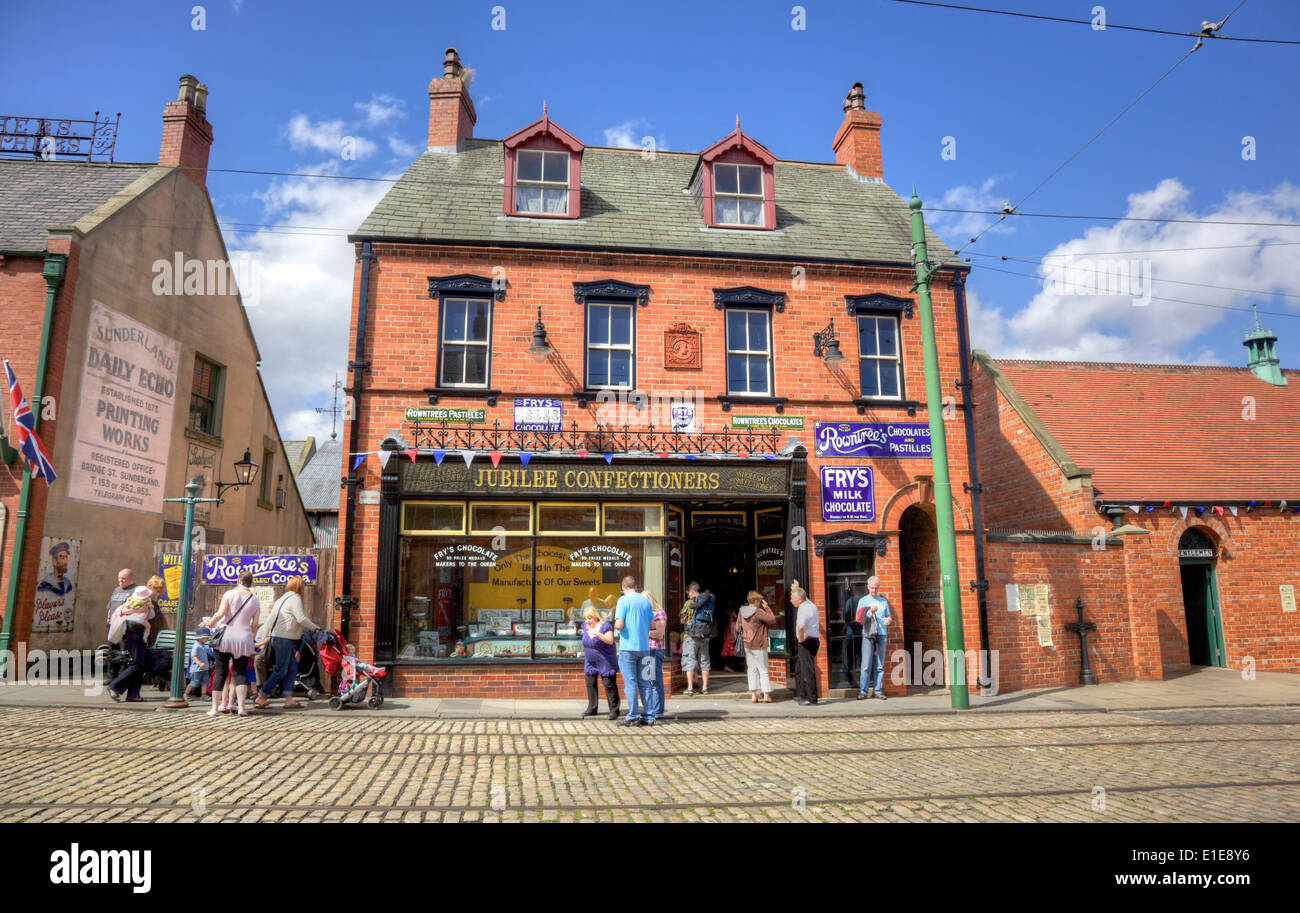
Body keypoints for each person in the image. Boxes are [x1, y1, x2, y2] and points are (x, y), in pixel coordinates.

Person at [255, 576, 317, 710]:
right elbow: (301, 618)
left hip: (278, 638)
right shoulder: (295, 599)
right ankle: (261, 697)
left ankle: (289, 699)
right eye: (303, 586)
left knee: (292, 668)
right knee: (280, 670)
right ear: (300, 587)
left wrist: (267, 635)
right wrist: (315, 628)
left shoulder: (281, 599)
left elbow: (271, 618)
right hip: (283, 638)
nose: (304, 588)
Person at [206, 570, 260, 717]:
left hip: (226, 636)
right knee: (240, 672)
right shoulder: (255, 600)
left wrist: (210, 624)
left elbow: (220, 614)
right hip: (244, 637)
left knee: (221, 671)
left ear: (239, 580)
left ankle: (214, 709)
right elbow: (255, 624)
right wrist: (251, 637)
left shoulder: (230, 594)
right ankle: (241, 708)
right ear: (251, 582)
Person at [613, 575, 654, 727]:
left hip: (628, 648)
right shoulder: (645, 600)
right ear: (636, 587)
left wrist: (616, 624)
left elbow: (619, 624)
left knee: (630, 683)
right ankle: (649, 716)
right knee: (646, 682)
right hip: (645, 648)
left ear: (623, 588)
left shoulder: (622, 600)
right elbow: (652, 626)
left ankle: (633, 715)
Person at [107, 586, 155, 702]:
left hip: (131, 634)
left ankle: (133, 694)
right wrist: (142, 610)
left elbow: (124, 612)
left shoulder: (130, 600)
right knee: (138, 664)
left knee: (139, 665)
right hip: (135, 635)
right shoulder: (145, 603)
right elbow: (151, 615)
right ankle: (115, 686)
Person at [856, 576, 892, 700]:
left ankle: (877, 691)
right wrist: (870, 610)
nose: (874, 591)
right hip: (868, 635)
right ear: (867, 587)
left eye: (876, 588)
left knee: (880, 665)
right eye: (872, 588)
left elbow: (888, 616)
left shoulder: (883, 601)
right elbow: (859, 619)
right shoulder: (863, 601)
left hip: (882, 634)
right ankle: (863, 691)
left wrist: (888, 620)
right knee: (866, 664)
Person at [580, 606, 619, 720]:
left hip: (605, 660)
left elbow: (610, 640)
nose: (588, 621)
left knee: (609, 685)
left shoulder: (605, 626)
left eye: (590, 618)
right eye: (586, 618)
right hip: (590, 661)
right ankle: (592, 708)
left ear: (596, 617)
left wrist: (597, 634)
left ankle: (614, 710)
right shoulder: (584, 626)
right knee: (590, 683)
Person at [738, 591, 776, 703]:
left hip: (747, 644)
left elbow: (736, 628)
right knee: (763, 669)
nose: (761, 603)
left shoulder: (741, 611)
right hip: (758, 644)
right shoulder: (758, 611)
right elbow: (772, 620)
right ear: (755, 601)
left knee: (751, 669)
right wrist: (767, 608)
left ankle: (754, 695)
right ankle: (766, 695)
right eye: (760, 601)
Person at [679, 582, 714, 696]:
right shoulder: (709, 600)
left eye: (688, 593)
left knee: (690, 660)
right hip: (705, 635)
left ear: (692, 591)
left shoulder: (689, 602)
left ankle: (690, 688)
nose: (688, 595)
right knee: (704, 660)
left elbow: (682, 620)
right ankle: (705, 688)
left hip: (691, 636)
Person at [792, 584, 821, 706]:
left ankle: (812, 699)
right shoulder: (810, 604)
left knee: (807, 670)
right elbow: (804, 596)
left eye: (792, 599)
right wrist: (798, 588)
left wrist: (801, 638)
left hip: (807, 642)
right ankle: (802, 695)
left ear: (799, 600)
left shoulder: (803, 609)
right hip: (814, 640)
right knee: (799, 668)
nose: (791, 601)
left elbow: (801, 626)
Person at [644, 590, 668, 721]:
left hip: (654, 650)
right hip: (645, 651)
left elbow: (659, 634)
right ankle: (650, 710)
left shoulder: (659, 613)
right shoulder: (645, 614)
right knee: (647, 681)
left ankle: (657, 711)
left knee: (654, 682)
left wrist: (642, 631)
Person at [184, 622, 212, 701]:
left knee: (205, 682)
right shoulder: (196, 646)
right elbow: (193, 656)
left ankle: (203, 695)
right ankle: (185, 694)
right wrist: (199, 663)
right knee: (194, 682)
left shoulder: (202, 645)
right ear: (200, 638)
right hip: (197, 669)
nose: (207, 639)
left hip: (205, 668)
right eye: (205, 637)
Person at [105, 568, 134, 639]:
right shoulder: (116, 590)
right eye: (119, 578)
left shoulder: (135, 590)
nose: (120, 580)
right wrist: (108, 618)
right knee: (110, 648)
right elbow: (111, 606)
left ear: (130, 579)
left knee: (123, 649)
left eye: (123, 578)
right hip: (112, 624)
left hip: (124, 626)